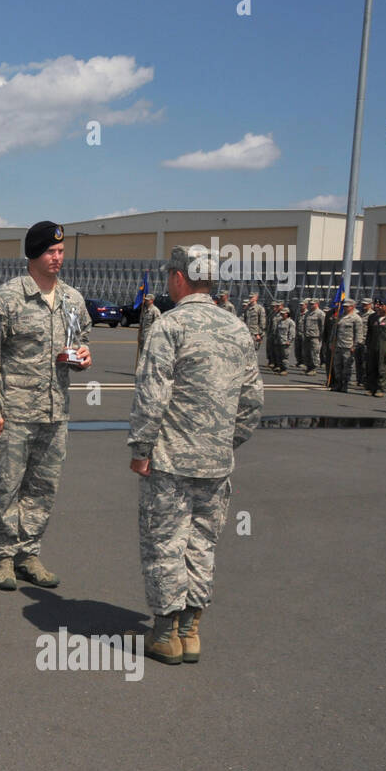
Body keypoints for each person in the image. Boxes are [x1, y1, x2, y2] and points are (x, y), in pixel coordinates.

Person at [127, 246, 263, 664]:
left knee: (166, 543)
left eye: (171, 274)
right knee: (202, 544)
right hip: (215, 463)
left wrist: (141, 448)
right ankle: (191, 632)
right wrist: (223, 442)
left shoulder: (170, 326)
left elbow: (152, 396)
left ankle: (166, 635)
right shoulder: (238, 329)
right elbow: (253, 402)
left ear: (179, 278)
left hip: (170, 461)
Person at [0, 220, 92, 591]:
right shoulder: (4, 299)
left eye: (60, 251)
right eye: (50, 252)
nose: (57, 258)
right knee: (7, 486)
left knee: (42, 488)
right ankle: (4, 556)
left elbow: (81, 339)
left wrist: (84, 355)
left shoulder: (72, 299)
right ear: (32, 255)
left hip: (55, 413)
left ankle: (29, 552)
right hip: (14, 414)